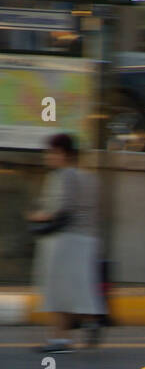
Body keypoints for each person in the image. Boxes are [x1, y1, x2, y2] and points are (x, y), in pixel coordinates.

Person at [26, 132, 103, 352]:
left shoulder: (61, 176)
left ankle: (59, 338)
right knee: (79, 290)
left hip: (63, 241)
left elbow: (61, 208)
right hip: (87, 238)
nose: (48, 157)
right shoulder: (90, 177)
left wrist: (37, 216)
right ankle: (90, 321)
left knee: (58, 291)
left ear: (62, 153)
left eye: (51, 152)